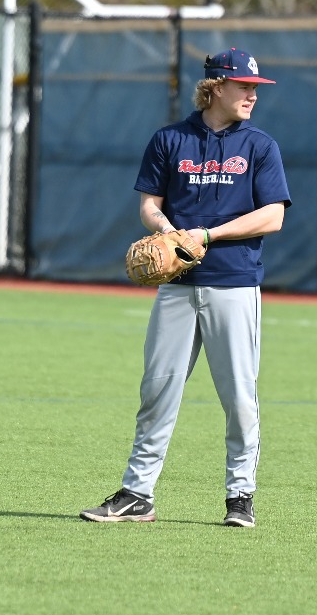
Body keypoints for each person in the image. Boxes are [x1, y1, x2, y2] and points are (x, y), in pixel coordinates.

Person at [81, 47, 291, 528]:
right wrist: (168, 232)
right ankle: (138, 494)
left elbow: (273, 215)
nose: (252, 96)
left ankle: (240, 497)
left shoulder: (259, 146)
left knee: (238, 395)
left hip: (233, 281)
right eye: (243, 86)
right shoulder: (170, 140)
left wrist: (208, 235)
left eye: (255, 89)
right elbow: (149, 205)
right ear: (215, 87)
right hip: (176, 284)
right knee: (158, 388)